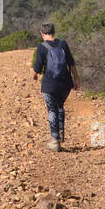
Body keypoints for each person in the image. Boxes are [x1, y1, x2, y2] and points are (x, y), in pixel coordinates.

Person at [32, 23, 78, 151]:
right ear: (54, 32)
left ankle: (55, 141)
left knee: (52, 110)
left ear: (42, 33)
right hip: (65, 84)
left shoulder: (41, 47)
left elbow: (37, 67)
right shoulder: (63, 44)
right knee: (60, 106)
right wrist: (76, 79)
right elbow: (71, 63)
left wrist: (34, 75)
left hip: (49, 84)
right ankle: (61, 133)